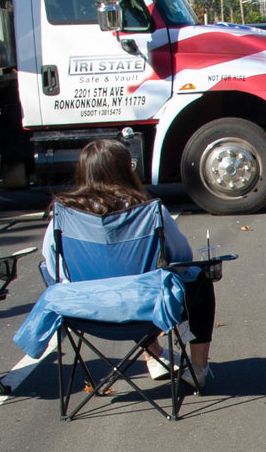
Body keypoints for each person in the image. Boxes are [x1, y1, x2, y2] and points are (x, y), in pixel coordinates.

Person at [43, 139, 218, 391]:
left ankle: (156, 356)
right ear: (126, 170)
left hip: (86, 311)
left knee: (122, 282)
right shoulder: (149, 211)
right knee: (197, 277)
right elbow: (182, 255)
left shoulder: (63, 215)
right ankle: (198, 368)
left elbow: (52, 265)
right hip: (144, 307)